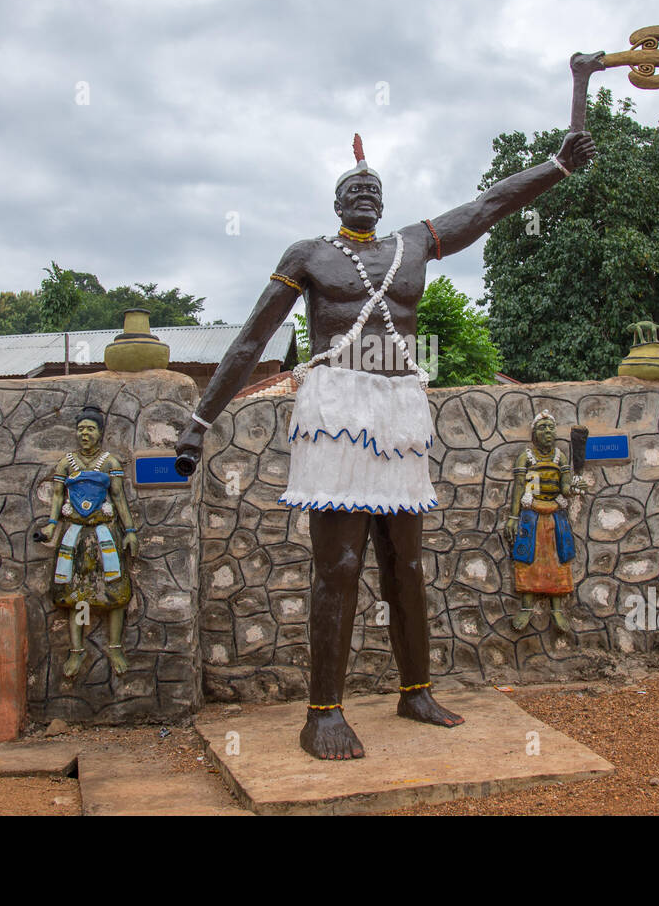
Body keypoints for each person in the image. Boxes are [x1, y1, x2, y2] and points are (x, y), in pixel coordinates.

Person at [176, 130, 596, 759]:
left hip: (400, 411)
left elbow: (486, 207)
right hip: (336, 410)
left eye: (372, 186)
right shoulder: (309, 256)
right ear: (336, 201)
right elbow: (249, 339)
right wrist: (199, 423)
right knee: (339, 568)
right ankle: (322, 713)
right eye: (353, 187)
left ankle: (416, 691)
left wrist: (557, 166)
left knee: (407, 566)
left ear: (384, 198)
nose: (364, 190)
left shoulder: (414, 244)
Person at [38, 406, 140, 678]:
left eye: (90, 429)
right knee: (76, 595)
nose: (85, 434)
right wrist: (51, 524)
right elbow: (58, 497)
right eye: (81, 429)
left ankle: (115, 646)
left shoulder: (110, 463)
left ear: (100, 433)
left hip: (104, 533)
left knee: (115, 590)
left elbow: (118, 498)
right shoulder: (66, 462)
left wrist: (129, 530)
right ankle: (76, 649)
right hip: (75, 535)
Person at [505, 411, 581, 632]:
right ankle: (526, 607)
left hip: (555, 515)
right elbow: (520, 487)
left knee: (559, 559)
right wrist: (512, 517)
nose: (548, 432)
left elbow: (564, 487)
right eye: (542, 428)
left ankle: (557, 608)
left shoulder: (560, 457)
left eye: (550, 428)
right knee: (526, 559)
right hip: (531, 516)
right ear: (534, 433)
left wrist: (574, 488)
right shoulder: (526, 457)